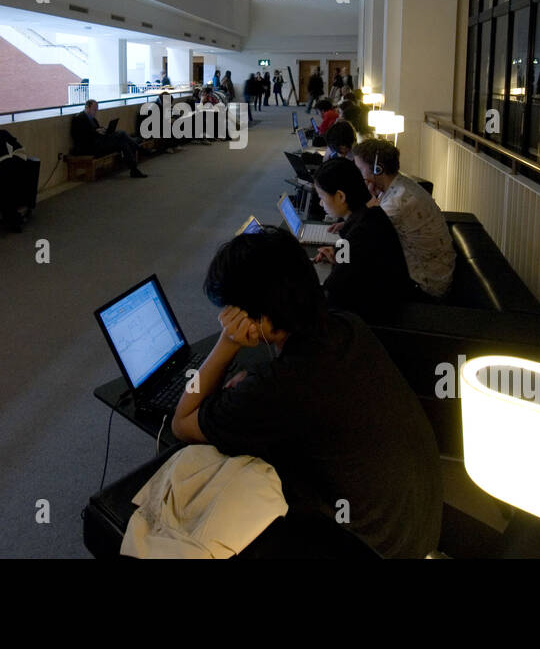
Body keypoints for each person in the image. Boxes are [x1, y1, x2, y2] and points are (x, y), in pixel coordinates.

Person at [170, 227, 443, 559]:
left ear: (255, 318)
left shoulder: (278, 388)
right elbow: (303, 389)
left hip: (370, 547)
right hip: (416, 524)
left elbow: (182, 422)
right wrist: (255, 381)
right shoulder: (346, 325)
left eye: (230, 313)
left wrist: (227, 342)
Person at [310, 157, 412, 327]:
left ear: (340, 196)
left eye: (322, 196)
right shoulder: (370, 215)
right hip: (385, 301)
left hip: (377, 319)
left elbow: (332, 289)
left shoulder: (361, 232)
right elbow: (351, 258)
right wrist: (337, 254)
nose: (320, 203)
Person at [352, 139, 456, 300]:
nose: (358, 175)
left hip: (426, 286)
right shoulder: (400, 185)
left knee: (352, 282)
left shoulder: (397, 201)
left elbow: (362, 239)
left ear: (378, 169)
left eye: (359, 169)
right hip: (433, 275)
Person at [69, 99, 147, 178]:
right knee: (121, 133)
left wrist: (102, 130)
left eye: (96, 110)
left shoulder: (92, 119)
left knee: (123, 143)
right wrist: (96, 132)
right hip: (90, 147)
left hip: (99, 142)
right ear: (87, 108)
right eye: (94, 109)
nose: (95, 112)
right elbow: (82, 136)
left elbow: (95, 129)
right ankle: (139, 148)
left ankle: (134, 170)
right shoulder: (79, 118)